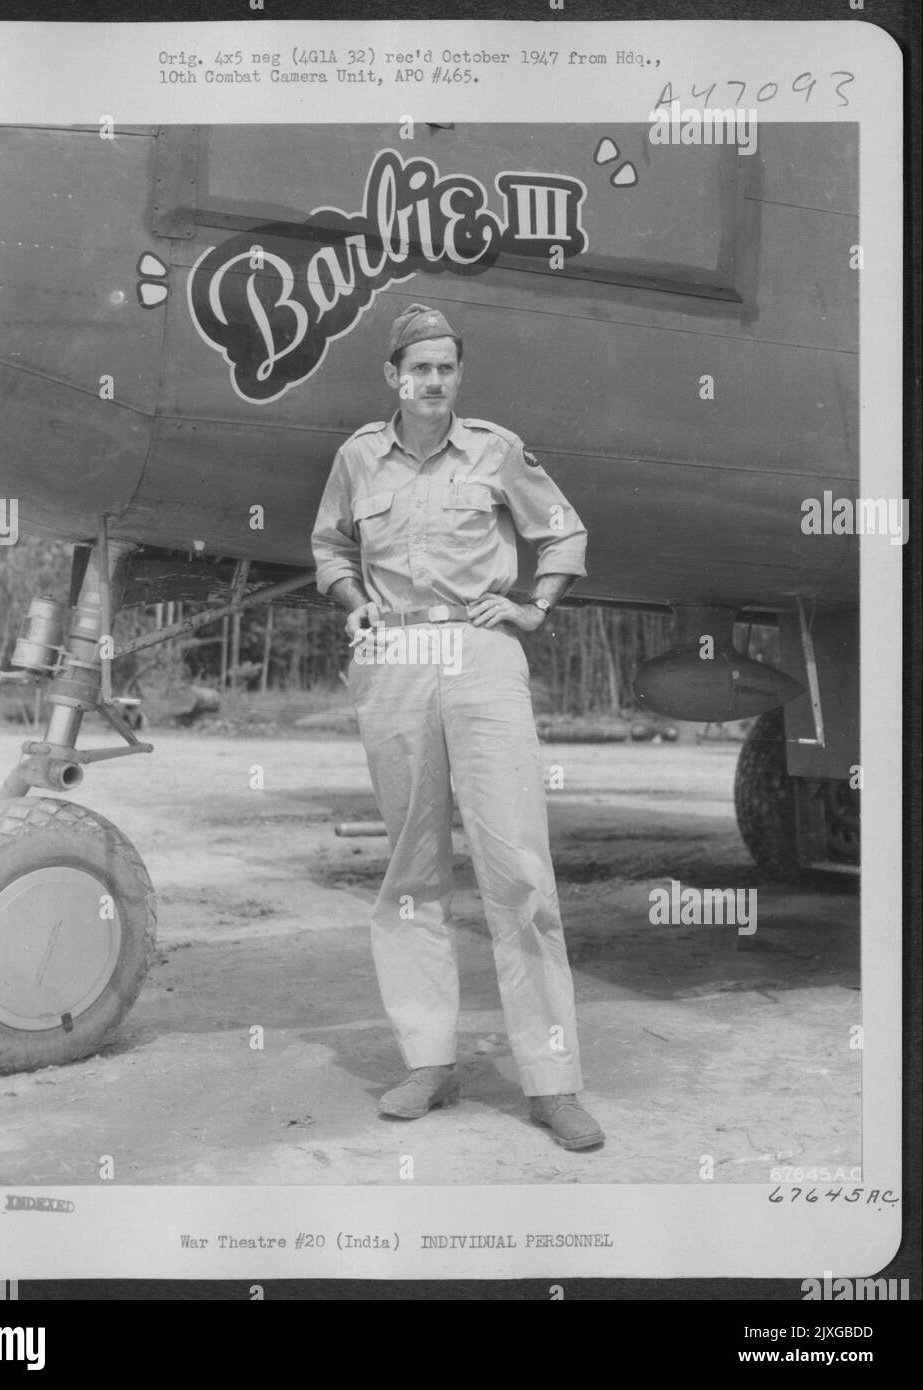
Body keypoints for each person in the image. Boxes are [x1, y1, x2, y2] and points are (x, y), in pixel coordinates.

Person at [311, 302, 603, 1151]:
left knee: (517, 869)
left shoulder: (497, 450)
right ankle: (428, 1063)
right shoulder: (357, 458)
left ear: (456, 375)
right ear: (392, 375)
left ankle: (551, 1083)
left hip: (479, 656)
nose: (433, 380)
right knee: (410, 871)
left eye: (446, 367)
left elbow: (564, 531)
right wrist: (356, 605)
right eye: (419, 367)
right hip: (394, 661)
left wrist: (532, 606)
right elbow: (329, 546)